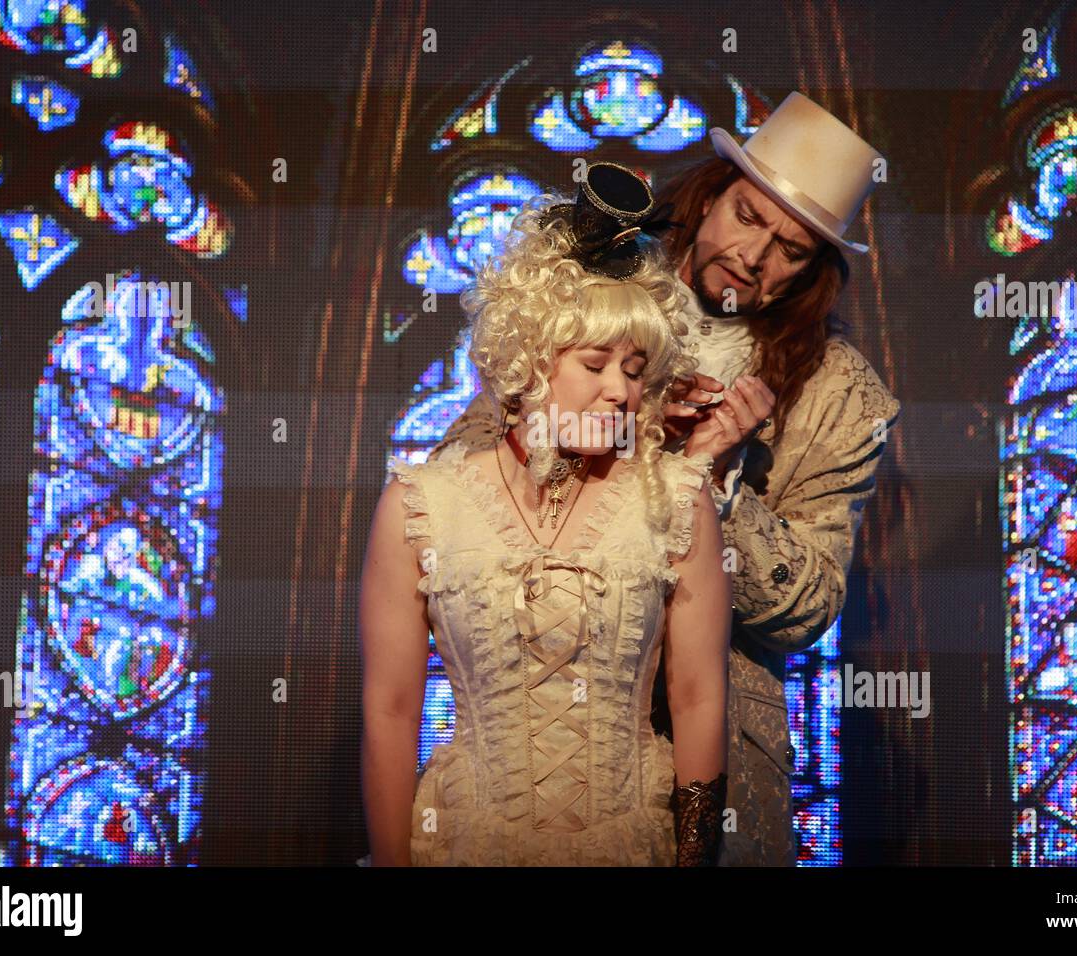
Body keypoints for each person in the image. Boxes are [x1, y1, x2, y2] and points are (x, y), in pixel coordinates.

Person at [431, 93, 903, 865]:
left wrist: (718, 481)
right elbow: (459, 477)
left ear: (816, 269)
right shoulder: (588, 303)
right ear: (710, 195)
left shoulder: (840, 397)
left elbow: (810, 606)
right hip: (543, 721)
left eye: (792, 248)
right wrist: (615, 431)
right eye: (748, 216)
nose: (754, 256)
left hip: (718, 754)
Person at [361, 162, 732, 866]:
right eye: (596, 365)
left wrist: (694, 862)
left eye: (635, 368)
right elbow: (389, 711)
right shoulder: (421, 506)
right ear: (530, 361)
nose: (621, 391)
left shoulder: (677, 501)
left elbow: (696, 697)